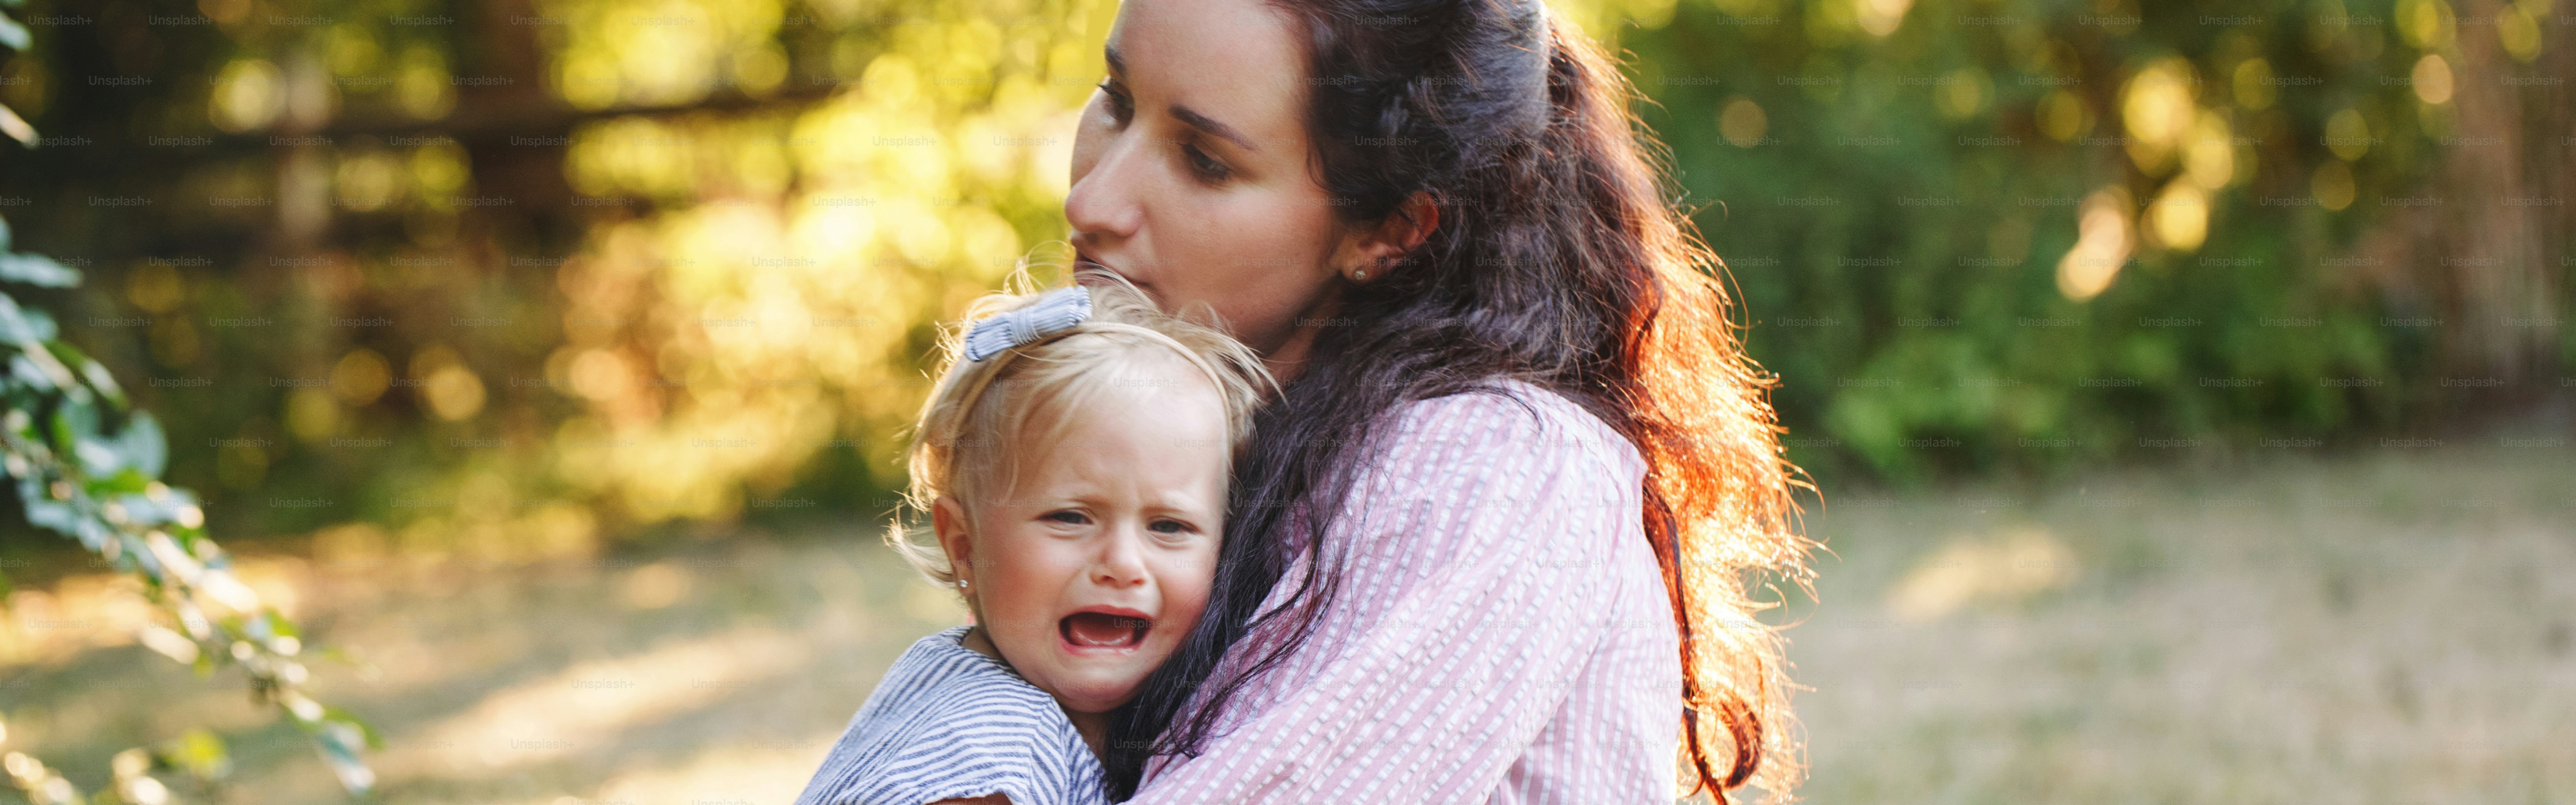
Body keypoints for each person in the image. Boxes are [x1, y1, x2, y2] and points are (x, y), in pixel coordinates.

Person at [1063, 0, 1815, 802]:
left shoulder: (1494, 466)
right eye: (1115, 100)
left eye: (1204, 160)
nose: (1092, 204)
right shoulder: (1214, 429)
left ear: (1387, 229)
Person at [795, 278, 1275, 805]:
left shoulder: (954, 673)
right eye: (1070, 517)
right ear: (964, 547)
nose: (1121, 563)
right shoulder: (993, 753)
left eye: (1168, 526)